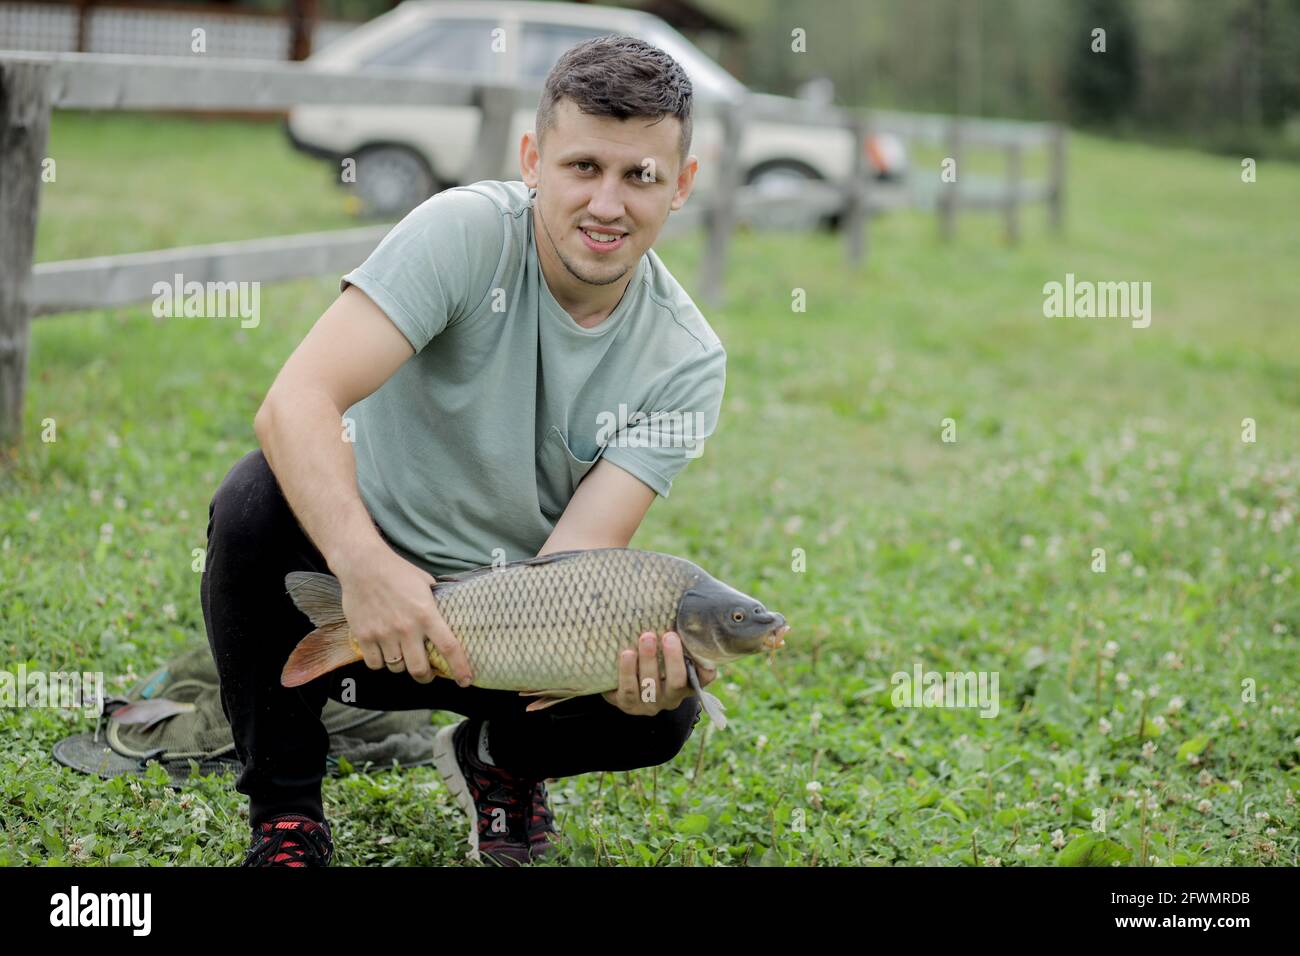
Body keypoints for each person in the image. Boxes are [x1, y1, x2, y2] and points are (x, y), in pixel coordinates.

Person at [201, 34, 726, 867]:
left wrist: (610, 675)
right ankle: (288, 814)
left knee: (664, 705)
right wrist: (365, 566)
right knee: (254, 502)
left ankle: (498, 759)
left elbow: (575, 568)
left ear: (683, 185)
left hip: (503, 633)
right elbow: (295, 403)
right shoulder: (462, 233)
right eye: (583, 166)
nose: (608, 204)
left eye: (641, 177)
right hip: (359, 599)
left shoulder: (688, 360)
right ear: (533, 158)